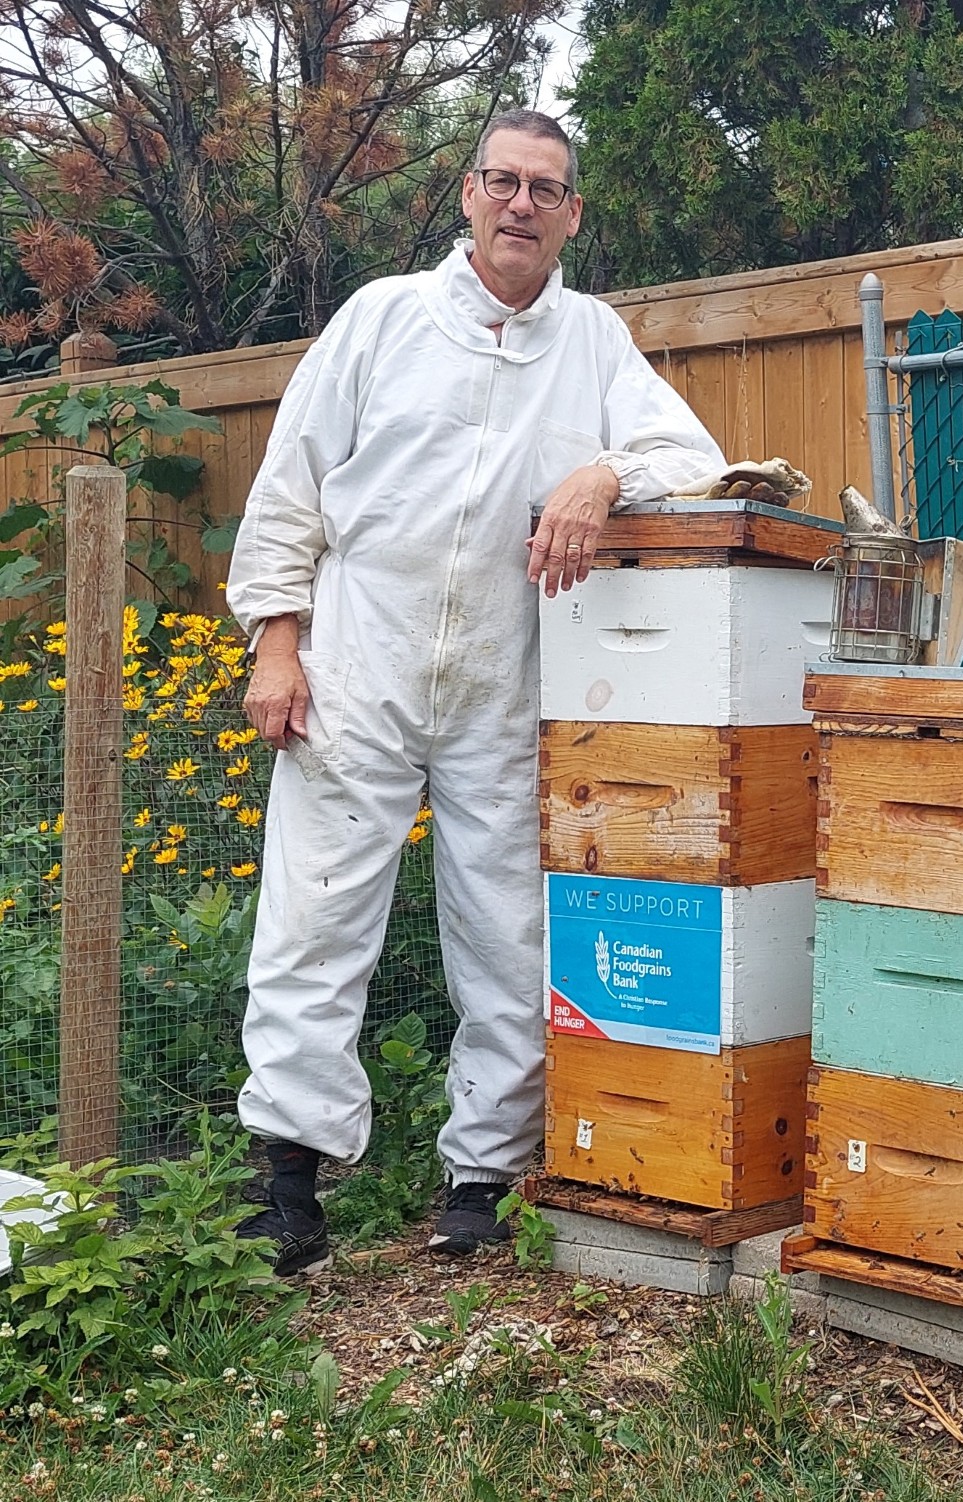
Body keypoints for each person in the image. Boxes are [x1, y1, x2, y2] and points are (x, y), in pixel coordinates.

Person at [224, 108, 725, 1273]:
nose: (520, 205)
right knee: (317, 912)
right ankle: (286, 1183)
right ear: (466, 194)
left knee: (508, 926)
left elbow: (696, 458)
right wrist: (277, 641)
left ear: (572, 215)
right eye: (502, 181)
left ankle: (482, 1178)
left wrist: (603, 470)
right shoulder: (382, 318)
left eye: (545, 189)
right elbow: (289, 483)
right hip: (360, 658)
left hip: (509, 677)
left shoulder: (593, 339)